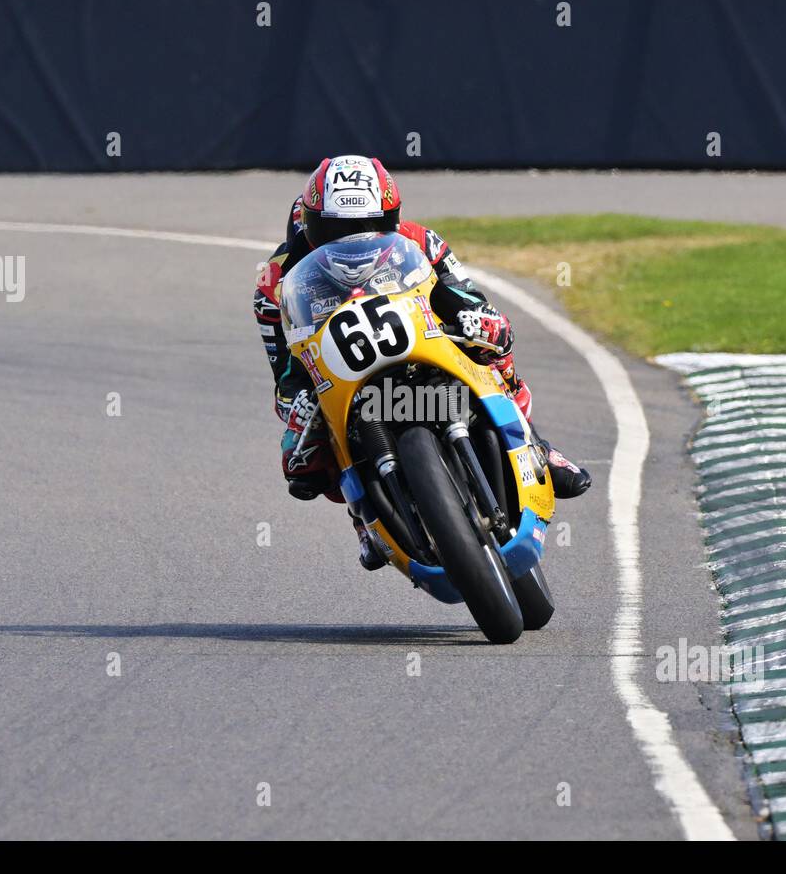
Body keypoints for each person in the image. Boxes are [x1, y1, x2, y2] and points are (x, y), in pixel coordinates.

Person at [253, 155, 590, 569]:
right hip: (341, 371)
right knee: (301, 459)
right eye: (337, 230)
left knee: (491, 340)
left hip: (422, 342)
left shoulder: (420, 241)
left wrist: (479, 319)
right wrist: (298, 403)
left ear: (392, 217)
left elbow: (465, 294)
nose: (355, 240)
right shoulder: (275, 279)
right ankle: (363, 517)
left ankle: (535, 445)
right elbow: (284, 370)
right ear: (310, 224)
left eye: (368, 226)